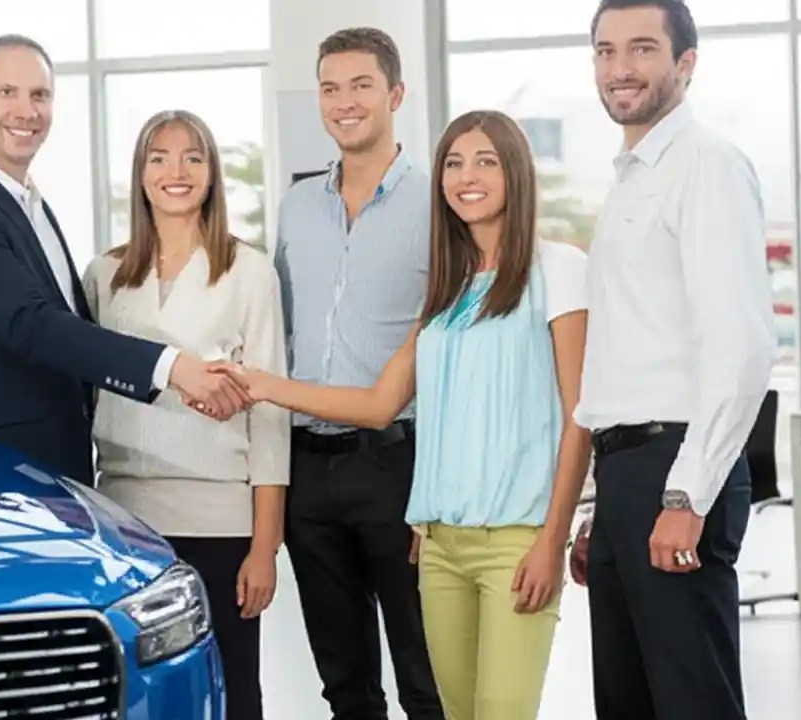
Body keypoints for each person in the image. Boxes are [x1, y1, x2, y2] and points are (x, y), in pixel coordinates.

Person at [227, 109, 591, 720]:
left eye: (485, 161)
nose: (466, 176)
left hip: (517, 539)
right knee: (452, 711)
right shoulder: (447, 292)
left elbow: (580, 417)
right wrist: (263, 384)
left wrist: (553, 539)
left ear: (517, 176)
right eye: (453, 162)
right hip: (438, 544)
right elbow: (374, 405)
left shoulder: (558, 269)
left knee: (502, 711)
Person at [0, 34, 249, 485]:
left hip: (53, 469)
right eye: (8, 93)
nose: (27, 111)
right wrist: (173, 367)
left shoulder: (29, 204)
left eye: (40, 95)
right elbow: (31, 325)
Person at [569, 2, 775, 719]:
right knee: (627, 704)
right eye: (605, 51)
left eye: (642, 49)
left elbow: (742, 344)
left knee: (693, 703)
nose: (620, 68)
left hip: (676, 471)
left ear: (685, 63)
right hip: (630, 474)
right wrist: (602, 505)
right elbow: (629, 353)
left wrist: (685, 496)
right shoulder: (632, 178)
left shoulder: (705, 165)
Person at [81, 109, 289, 720]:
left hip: (220, 522)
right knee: (140, 696)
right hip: (124, 522)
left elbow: (271, 418)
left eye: (193, 157)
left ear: (211, 173)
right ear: (140, 175)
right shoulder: (104, 276)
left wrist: (265, 546)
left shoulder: (249, 272)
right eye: (160, 158)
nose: (177, 171)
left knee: (231, 690)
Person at [270, 26, 443, 720]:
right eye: (330, 87)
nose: (344, 102)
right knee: (343, 683)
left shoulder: (438, 204)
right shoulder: (294, 207)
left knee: (425, 676)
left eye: (361, 85)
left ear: (396, 94)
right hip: (308, 471)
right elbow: (275, 328)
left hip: (396, 464)